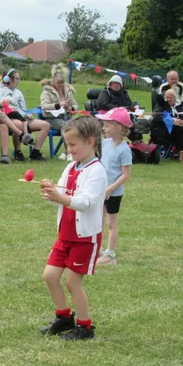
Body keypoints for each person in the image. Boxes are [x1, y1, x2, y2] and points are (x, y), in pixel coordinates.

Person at [39, 116, 106, 341]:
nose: (69, 149)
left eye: (73, 144)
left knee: (72, 282)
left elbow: (85, 202)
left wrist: (60, 196)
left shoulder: (96, 171)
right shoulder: (70, 167)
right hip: (65, 234)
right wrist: (51, 192)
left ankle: (85, 327)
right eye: (67, 145)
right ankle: (64, 317)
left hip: (85, 237)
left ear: (90, 142)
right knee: (50, 276)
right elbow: (60, 197)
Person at [95, 109, 132, 266]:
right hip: (102, 190)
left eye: (108, 125)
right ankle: (98, 249)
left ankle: (110, 255)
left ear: (119, 127)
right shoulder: (104, 144)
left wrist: (111, 189)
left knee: (111, 223)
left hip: (114, 193)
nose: (104, 128)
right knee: (98, 221)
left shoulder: (125, 150)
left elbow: (125, 175)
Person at [0, 68, 50, 161]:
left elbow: (23, 109)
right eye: (17, 78)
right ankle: (17, 152)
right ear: (8, 79)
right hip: (6, 118)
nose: (18, 81)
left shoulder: (18, 93)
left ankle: (35, 152)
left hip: (21, 118)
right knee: (19, 124)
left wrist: (27, 114)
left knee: (45, 125)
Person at [40, 64, 78, 132]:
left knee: (80, 127)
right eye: (58, 83)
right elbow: (44, 106)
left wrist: (70, 108)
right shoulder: (47, 91)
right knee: (68, 129)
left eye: (62, 83)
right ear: (53, 82)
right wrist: (58, 105)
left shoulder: (68, 91)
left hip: (66, 118)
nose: (61, 86)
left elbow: (75, 105)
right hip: (52, 119)